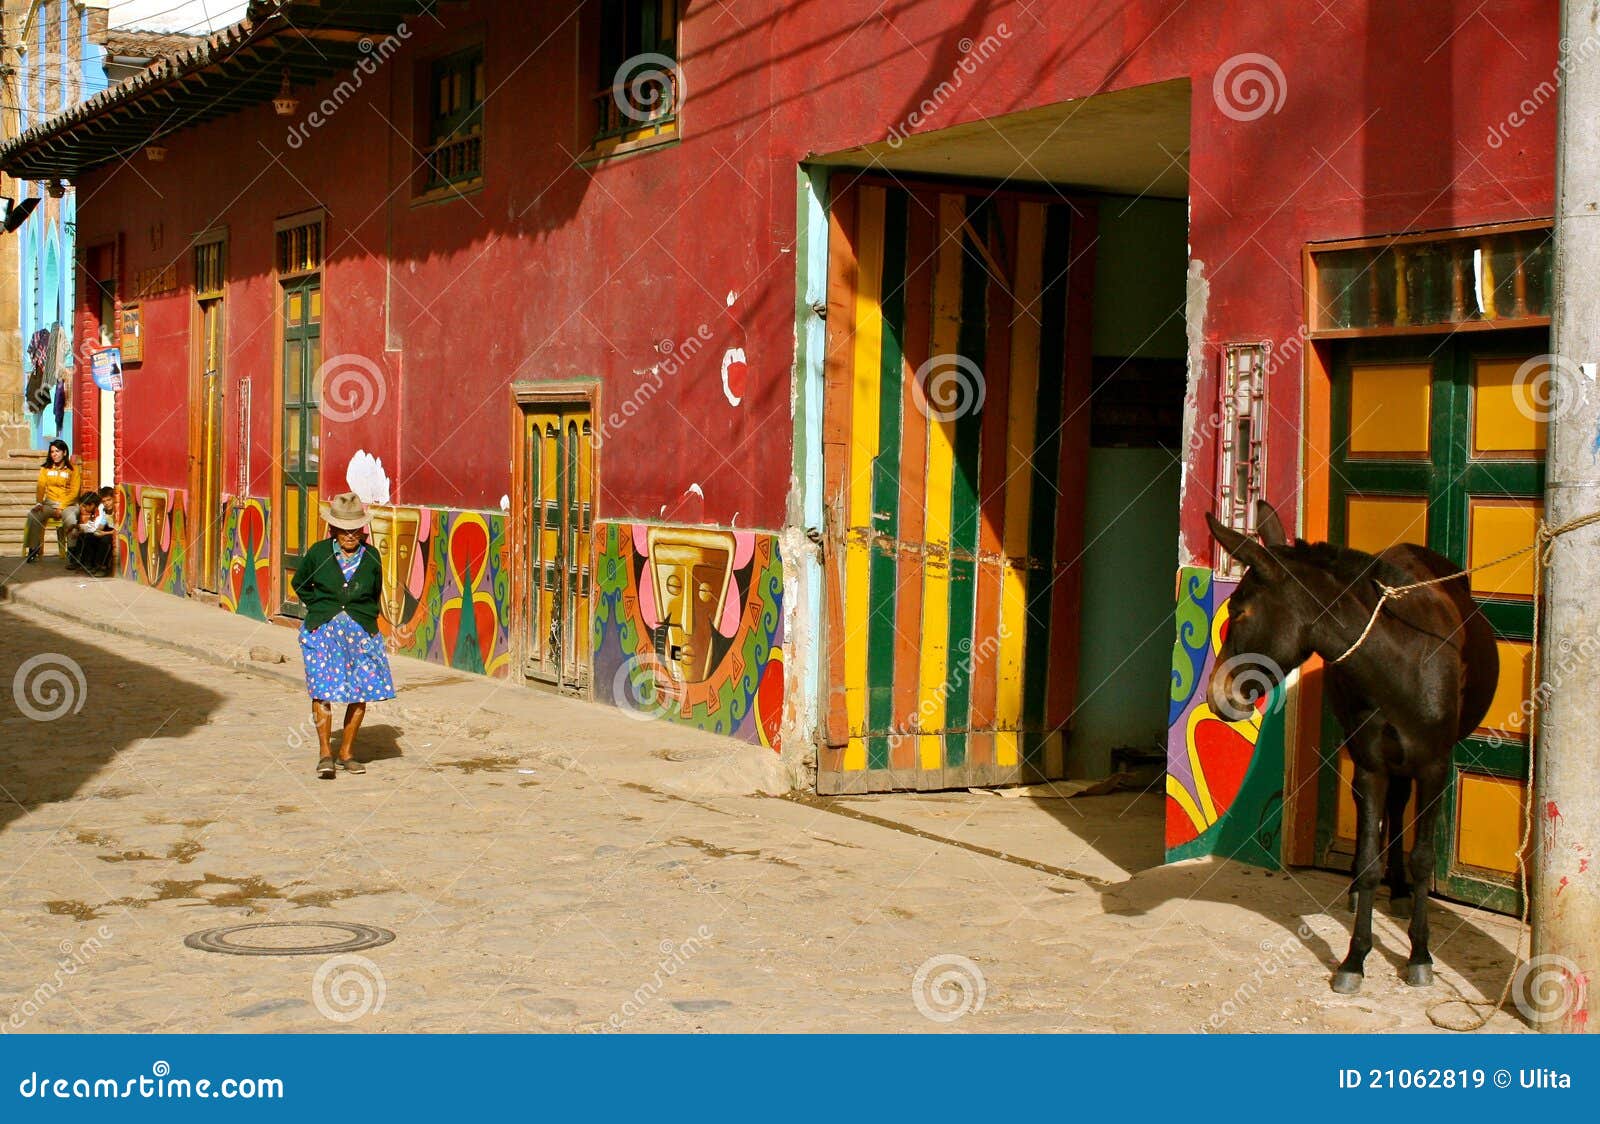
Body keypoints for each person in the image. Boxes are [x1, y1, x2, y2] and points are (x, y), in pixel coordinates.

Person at [292, 492, 395, 779]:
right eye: (343, 530)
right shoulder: (318, 553)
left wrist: (364, 619)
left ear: (362, 529)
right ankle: (325, 753)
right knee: (322, 690)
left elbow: (375, 592)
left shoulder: (372, 556)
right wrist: (319, 608)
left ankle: (347, 752)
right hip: (323, 631)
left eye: (355, 530)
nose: (350, 535)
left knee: (360, 692)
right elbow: (300, 583)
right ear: (333, 529)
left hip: (361, 632)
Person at [24, 439, 80, 562]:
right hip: (49, 503)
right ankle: (33, 548)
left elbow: (74, 492)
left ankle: (72, 552)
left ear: (64, 452)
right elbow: (41, 487)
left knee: (71, 518)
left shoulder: (73, 470)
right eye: (52, 452)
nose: (54, 454)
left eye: (57, 451)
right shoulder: (45, 469)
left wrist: (61, 507)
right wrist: (39, 503)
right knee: (33, 515)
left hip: (68, 504)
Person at [61, 492, 112, 575]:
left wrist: (80, 528)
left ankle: (94, 565)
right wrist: (77, 527)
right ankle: (80, 562)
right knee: (82, 535)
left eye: (85, 506)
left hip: (107, 532)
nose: (84, 509)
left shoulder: (101, 509)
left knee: (88, 537)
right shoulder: (95, 511)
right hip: (100, 530)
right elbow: (91, 525)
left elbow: (96, 528)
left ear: (92, 505)